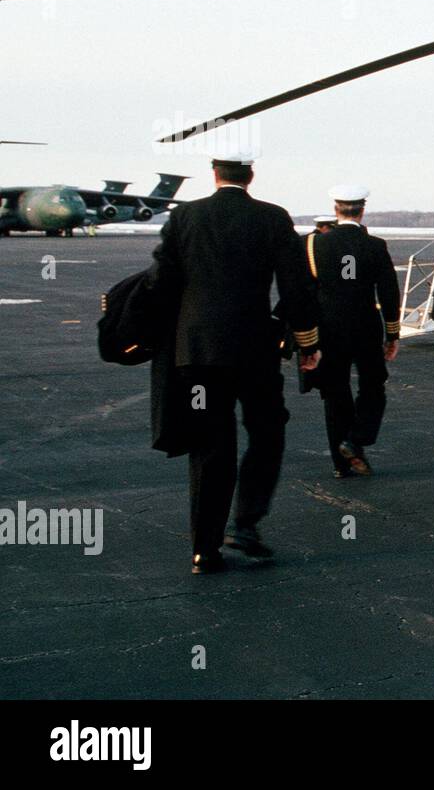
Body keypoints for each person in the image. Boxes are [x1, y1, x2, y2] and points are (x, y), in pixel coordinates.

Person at [149, 155, 321, 575]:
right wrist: (306, 341)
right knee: (267, 432)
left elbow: (161, 282)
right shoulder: (272, 218)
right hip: (255, 351)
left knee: (209, 445)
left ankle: (203, 550)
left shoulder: (185, 216)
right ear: (251, 176)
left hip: (199, 355)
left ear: (215, 174)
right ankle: (245, 523)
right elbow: (297, 284)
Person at [307, 184, 401, 478]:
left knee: (335, 394)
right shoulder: (375, 246)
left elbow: (304, 293)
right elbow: (388, 293)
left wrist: (305, 340)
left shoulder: (314, 245)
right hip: (365, 328)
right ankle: (356, 439)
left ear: (336, 210)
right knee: (373, 387)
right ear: (362, 211)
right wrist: (392, 333)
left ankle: (340, 463)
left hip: (328, 329)